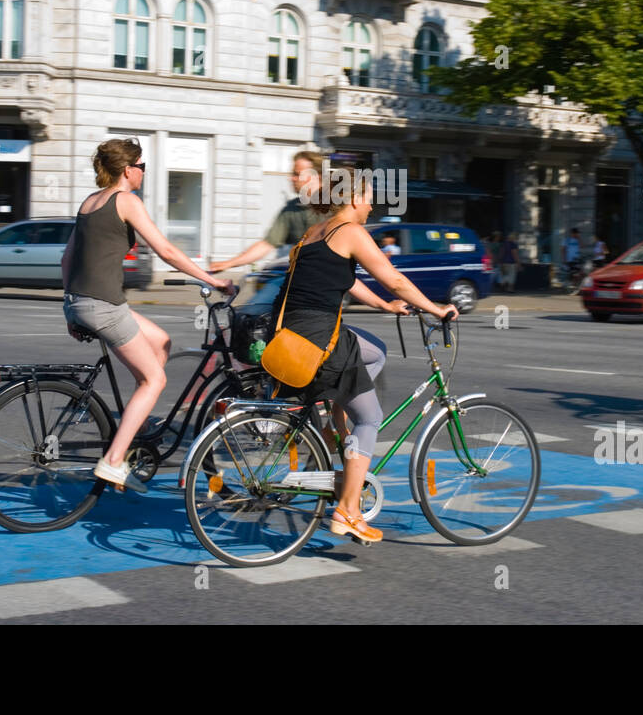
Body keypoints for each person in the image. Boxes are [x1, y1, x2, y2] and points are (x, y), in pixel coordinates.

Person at [270, 168, 458, 543]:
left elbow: (349, 280)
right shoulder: (351, 232)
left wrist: (385, 307)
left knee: (375, 352)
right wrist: (437, 309)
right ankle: (348, 510)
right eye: (369, 197)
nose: (372, 206)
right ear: (354, 199)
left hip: (293, 333)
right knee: (370, 417)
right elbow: (396, 279)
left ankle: (336, 423)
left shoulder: (315, 232)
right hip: (322, 338)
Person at [61, 137, 235, 489]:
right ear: (128, 170)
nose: (143, 173)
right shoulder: (126, 200)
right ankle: (113, 461)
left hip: (80, 301)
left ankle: (135, 425)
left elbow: (66, 259)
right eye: (142, 167)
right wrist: (211, 280)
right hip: (104, 305)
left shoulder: (89, 202)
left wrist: (70, 310)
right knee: (155, 380)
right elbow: (167, 251)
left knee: (161, 342)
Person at [209, 150, 323, 272]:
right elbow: (267, 244)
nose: (292, 178)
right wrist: (229, 263)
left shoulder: (337, 205)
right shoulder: (291, 208)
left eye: (297, 174)